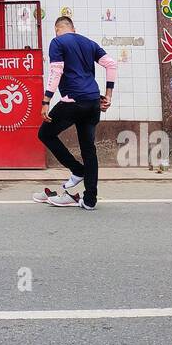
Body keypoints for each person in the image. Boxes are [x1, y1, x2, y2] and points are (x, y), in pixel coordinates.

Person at [34, 16, 117, 211]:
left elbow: (56, 72)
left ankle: (77, 170)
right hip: (92, 102)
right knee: (89, 149)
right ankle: (89, 200)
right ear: (73, 28)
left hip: (72, 101)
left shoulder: (57, 42)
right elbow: (111, 64)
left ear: (57, 29)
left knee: (45, 134)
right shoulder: (89, 43)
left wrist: (46, 100)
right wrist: (108, 95)